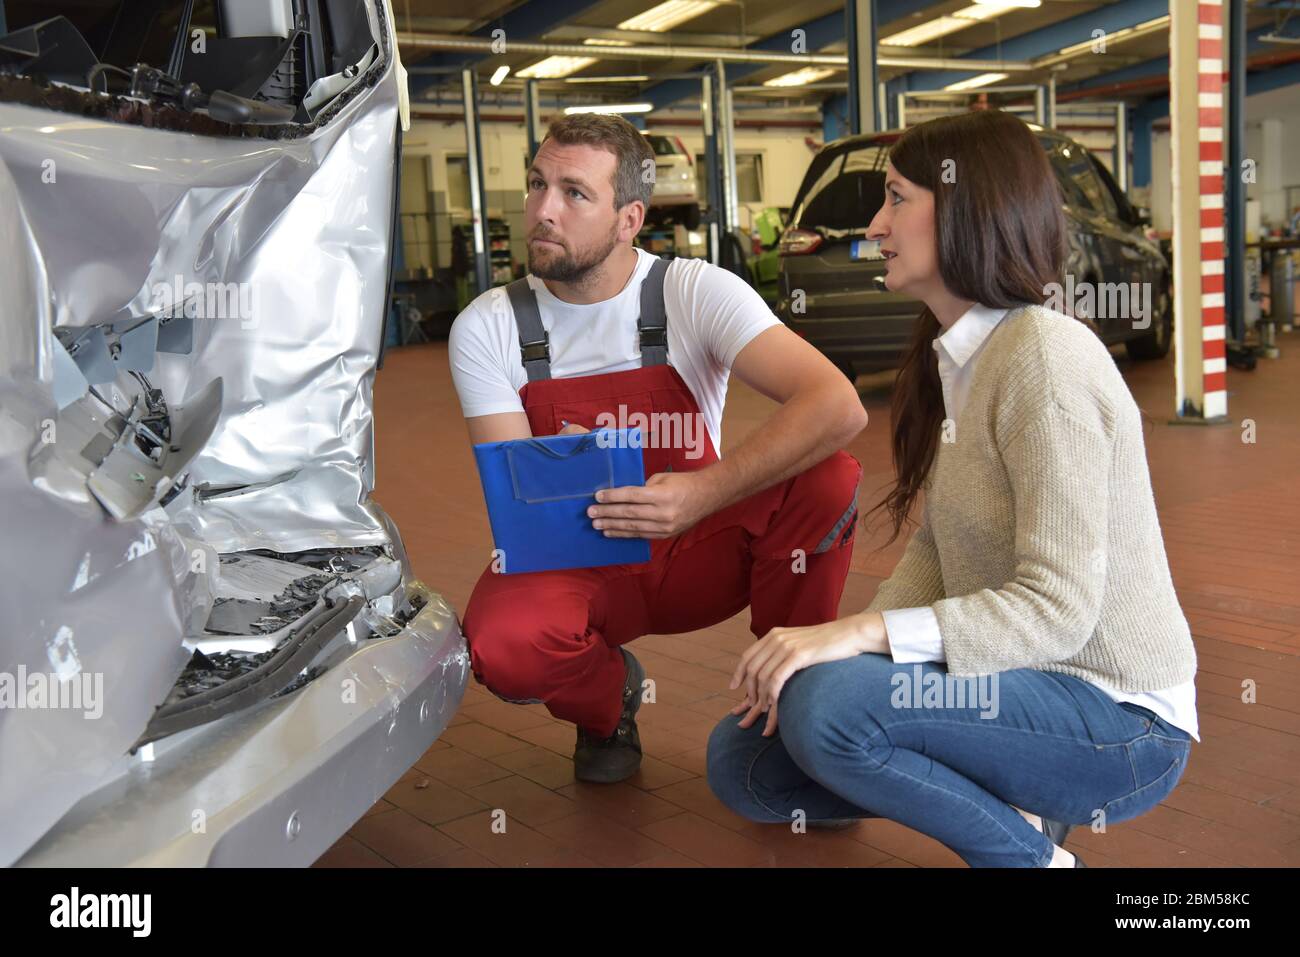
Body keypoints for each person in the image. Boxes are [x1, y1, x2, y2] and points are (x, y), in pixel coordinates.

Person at [706, 109, 1199, 868]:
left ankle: (1032, 856)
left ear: (967, 209)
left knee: (830, 713)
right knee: (744, 760)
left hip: (1117, 721)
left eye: (897, 198)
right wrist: (837, 654)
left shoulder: (1047, 360)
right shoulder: (959, 361)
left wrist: (856, 644)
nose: (875, 225)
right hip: (1015, 685)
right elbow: (935, 551)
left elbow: (1061, 608)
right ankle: (1011, 797)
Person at [448, 113, 867, 784]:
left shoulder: (692, 292)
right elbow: (523, 504)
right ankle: (607, 700)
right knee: (504, 642)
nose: (543, 209)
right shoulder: (489, 325)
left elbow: (835, 403)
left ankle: (795, 696)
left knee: (827, 477)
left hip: (698, 548)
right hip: (576, 558)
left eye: (574, 192)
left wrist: (703, 491)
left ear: (628, 218)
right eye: (536, 184)